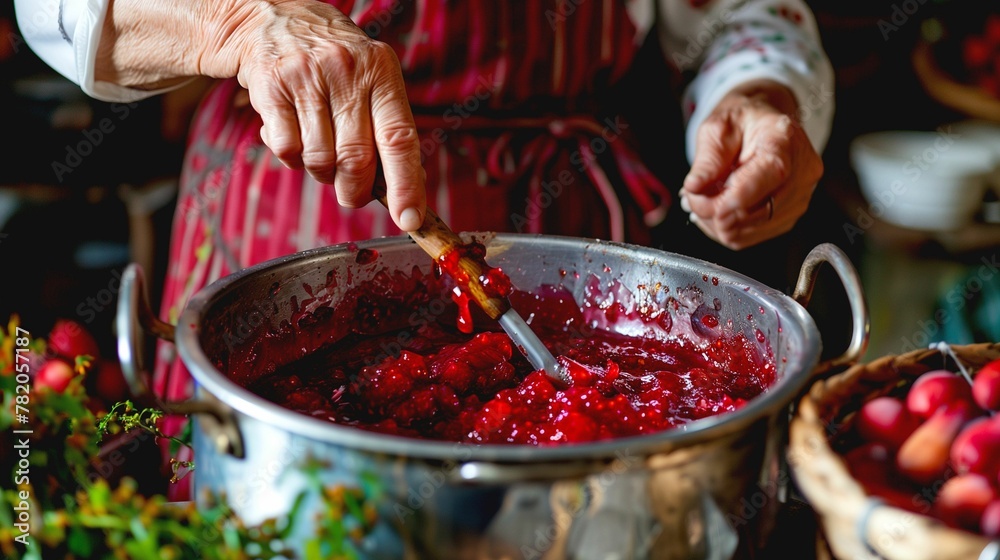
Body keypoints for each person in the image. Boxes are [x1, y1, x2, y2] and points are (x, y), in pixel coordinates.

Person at [15, 0, 834, 499]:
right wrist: (237, 22)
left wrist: (753, 94)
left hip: (566, 217)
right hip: (280, 202)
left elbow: (733, 10)